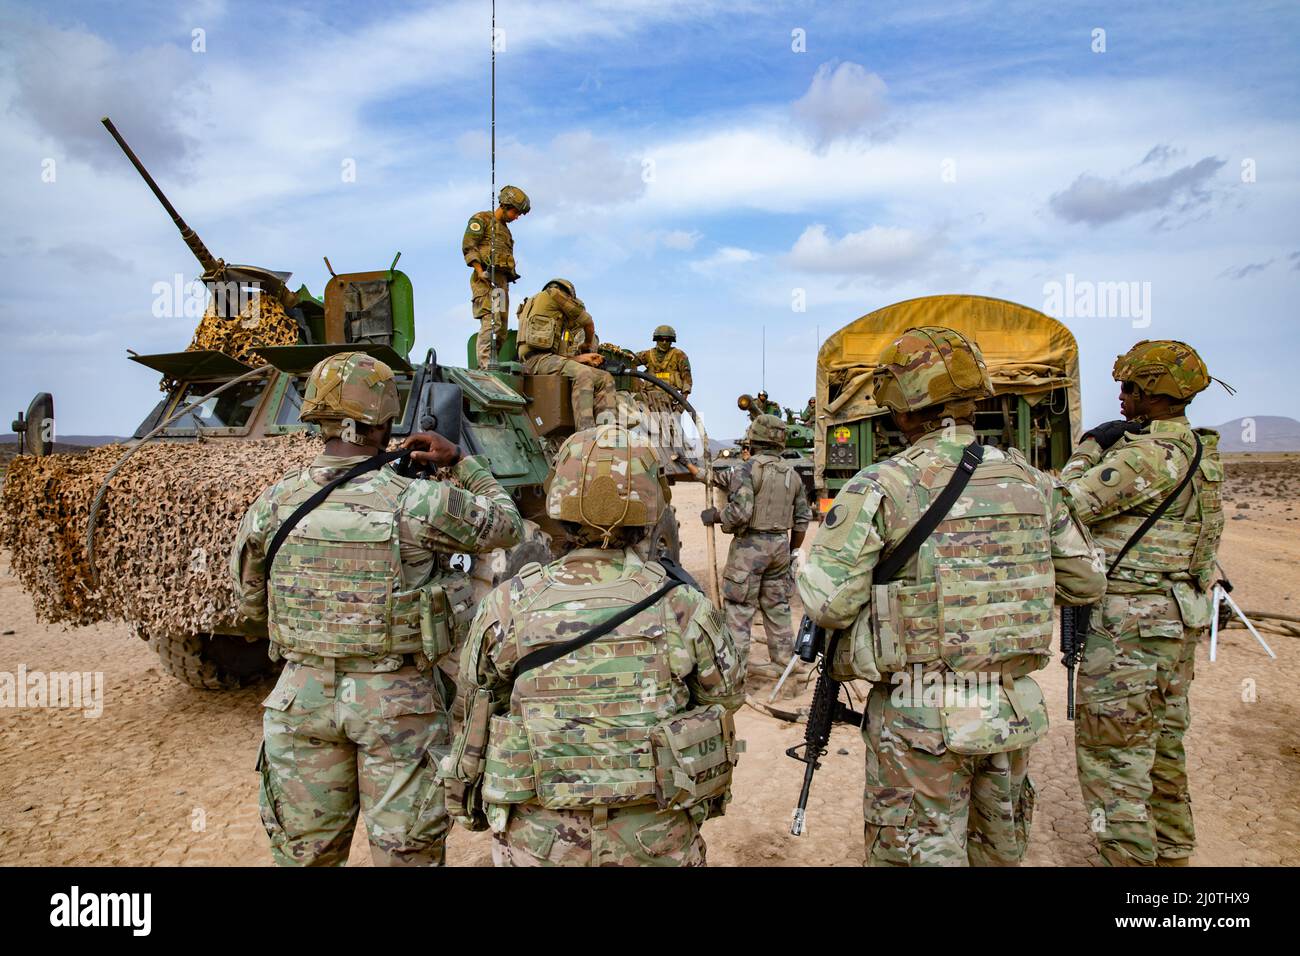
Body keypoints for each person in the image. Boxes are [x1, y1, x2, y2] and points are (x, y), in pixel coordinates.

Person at [797, 326, 1106, 866]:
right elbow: (1085, 582)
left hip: (919, 715)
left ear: (903, 405)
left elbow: (831, 604)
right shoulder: (1034, 482)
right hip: (1009, 709)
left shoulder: (881, 485)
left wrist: (808, 560)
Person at [230, 351, 523, 866]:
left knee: (304, 856)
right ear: (386, 418)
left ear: (316, 417)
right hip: (398, 704)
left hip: (299, 699)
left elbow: (252, 608)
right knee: (406, 855)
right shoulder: (416, 503)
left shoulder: (273, 502)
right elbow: (507, 525)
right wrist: (460, 461)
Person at [441, 423, 744, 866]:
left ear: (558, 499)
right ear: (650, 505)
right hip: (654, 837)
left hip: (540, 840)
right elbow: (726, 695)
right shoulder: (681, 605)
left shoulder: (507, 604)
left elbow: (476, 697)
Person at [1060, 339, 1226, 867]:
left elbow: (1063, 504)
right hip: (1177, 619)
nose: (1121, 395)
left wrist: (1088, 448)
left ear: (1151, 391)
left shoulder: (1145, 455)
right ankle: (1175, 847)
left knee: (1114, 753)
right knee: (1164, 741)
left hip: (1130, 626)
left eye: (1129, 387)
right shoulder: (1202, 452)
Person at [702, 414, 813, 677]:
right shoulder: (792, 475)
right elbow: (801, 521)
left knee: (739, 610)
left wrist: (716, 516)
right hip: (780, 548)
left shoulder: (747, 469)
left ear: (753, 440)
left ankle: (735, 673)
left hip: (749, 549)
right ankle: (785, 665)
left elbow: (740, 513)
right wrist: (791, 551)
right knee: (778, 608)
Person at [517, 278, 616, 429]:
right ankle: (586, 434)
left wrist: (581, 358)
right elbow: (588, 322)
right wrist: (587, 345)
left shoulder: (535, 305)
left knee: (605, 378)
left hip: (543, 360)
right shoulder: (555, 294)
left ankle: (606, 432)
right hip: (535, 361)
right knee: (584, 374)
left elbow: (553, 358)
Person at [464, 185, 530, 368]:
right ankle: (484, 366)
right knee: (490, 321)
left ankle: (493, 362)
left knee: (500, 328)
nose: (516, 217)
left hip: (501, 284)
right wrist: (479, 270)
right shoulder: (482, 219)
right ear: (507, 205)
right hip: (486, 279)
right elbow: (469, 246)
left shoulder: (506, 231)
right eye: (516, 213)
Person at [635, 325, 692, 414]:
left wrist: (682, 402)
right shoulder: (648, 355)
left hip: (669, 397)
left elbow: (687, 379)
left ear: (672, 341)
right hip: (648, 396)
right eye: (661, 339)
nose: (664, 342)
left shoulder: (679, 355)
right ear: (656, 340)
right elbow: (631, 360)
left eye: (667, 340)